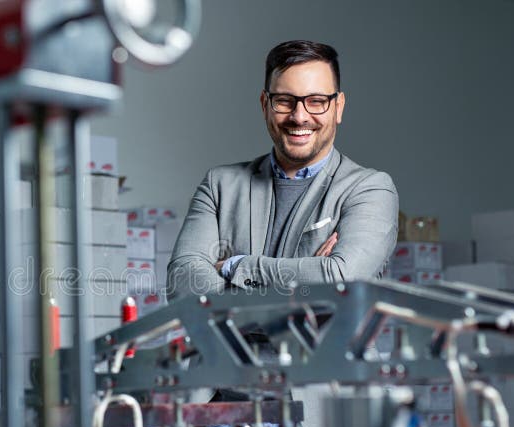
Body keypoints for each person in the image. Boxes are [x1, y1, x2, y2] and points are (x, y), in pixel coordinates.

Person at [167, 40, 398, 299]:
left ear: (338, 107)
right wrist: (309, 278)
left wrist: (238, 266)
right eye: (285, 101)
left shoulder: (370, 190)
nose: (299, 116)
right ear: (265, 104)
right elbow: (182, 283)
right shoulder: (219, 186)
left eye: (316, 101)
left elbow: (340, 278)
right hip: (232, 343)